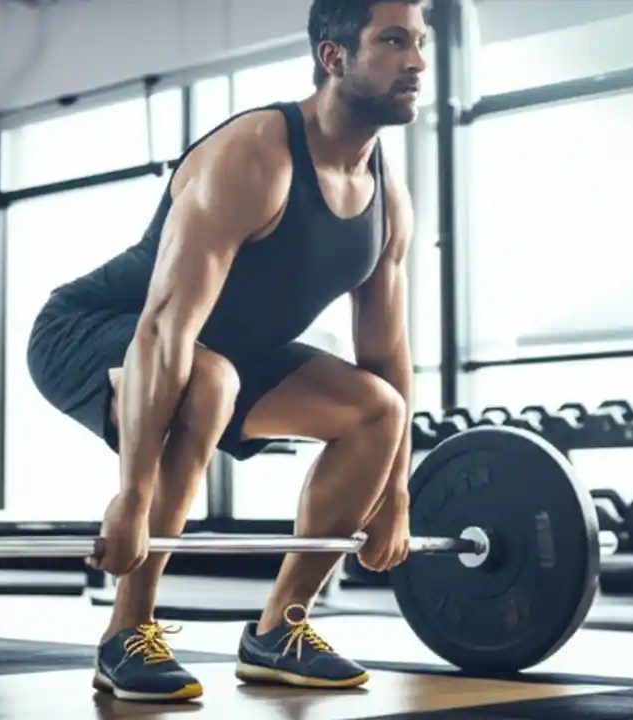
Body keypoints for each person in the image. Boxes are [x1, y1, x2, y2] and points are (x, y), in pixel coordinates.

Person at [26, 0, 428, 703]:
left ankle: (280, 629)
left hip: (229, 355)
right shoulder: (254, 156)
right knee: (206, 381)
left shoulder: (387, 200)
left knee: (377, 411)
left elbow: (387, 356)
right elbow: (165, 330)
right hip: (95, 329)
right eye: (394, 41)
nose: (418, 61)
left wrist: (397, 491)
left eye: (420, 42)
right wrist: (130, 497)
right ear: (334, 58)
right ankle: (127, 630)